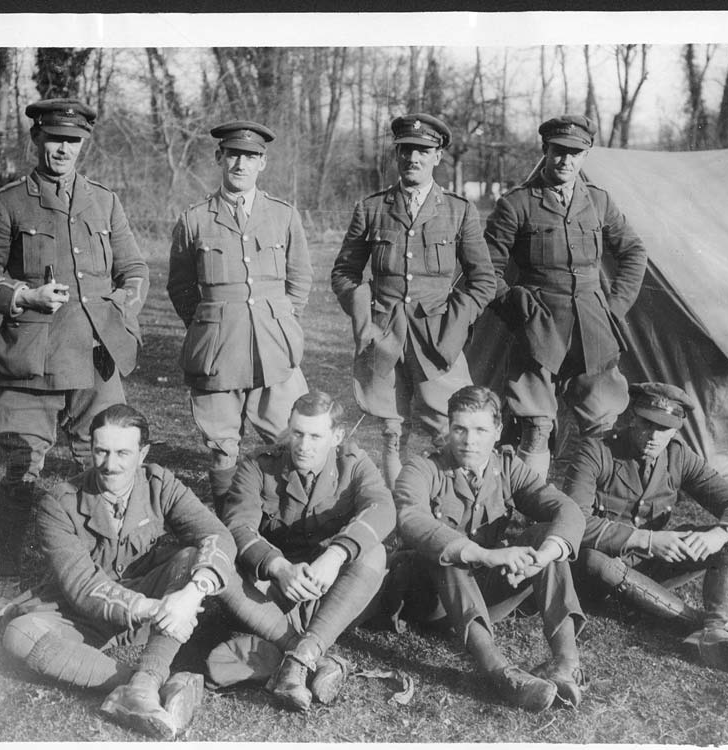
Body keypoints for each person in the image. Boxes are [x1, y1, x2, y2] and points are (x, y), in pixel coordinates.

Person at [0, 98, 149, 620]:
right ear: (37, 141)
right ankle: (7, 580)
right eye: (53, 139)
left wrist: (121, 315)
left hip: (94, 360)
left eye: (72, 141)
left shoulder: (104, 202)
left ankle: (109, 570)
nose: (62, 149)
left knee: (109, 465)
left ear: (83, 144)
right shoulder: (10, 202)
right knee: (23, 470)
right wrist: (23, 295)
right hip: (31, 360)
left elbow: (134, 269)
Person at [1, 404, 238, 737]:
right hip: (84, 616)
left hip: (150, 615)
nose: (111, 465)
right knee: (18, 634)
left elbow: (216, 535)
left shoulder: (159, 483)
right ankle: (147, 685)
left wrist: (192, 593)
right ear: (91, 450)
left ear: (143, 453)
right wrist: (159, 608)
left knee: (189, 559)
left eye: (123, 453)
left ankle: (145, 681)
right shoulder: (59, 503)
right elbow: (83, 587)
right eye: (101, 452)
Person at [393, 385, 587, 712]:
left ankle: (567, 664)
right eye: (460, 429)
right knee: (447, 550)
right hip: (430, 600)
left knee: (544, 536)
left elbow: (566, 510)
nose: (470, 441)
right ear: (448, 429)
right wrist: (483, 553)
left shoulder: (507, 467)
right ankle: (501, 674)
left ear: (497, 431)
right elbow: (410, 518)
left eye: (481, 430)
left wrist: (543, 556)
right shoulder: (423, 469)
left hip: (482, 595)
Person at [331, 113, 497, 488]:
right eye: (406, 150)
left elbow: (484, 280)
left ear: (438, 156)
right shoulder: (371, 209)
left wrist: (456, 321)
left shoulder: (459, 211)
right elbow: (344, 274)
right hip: (384, 336)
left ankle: (457, 507)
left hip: (438, 338)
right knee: (391, 429)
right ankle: (395, 515)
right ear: (397, 153)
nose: (413, 159)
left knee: (452, 426)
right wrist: (364, 320)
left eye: (423, 150)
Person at [561, 382, 728, 674]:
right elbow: (574, 524)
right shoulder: (596, 451)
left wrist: (720, 534)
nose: (653, 435)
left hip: (645, 569)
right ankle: (711, 625)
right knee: (592, 560)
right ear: (631, 417)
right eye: (647, 423)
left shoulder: (678, 457)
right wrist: (646, 539)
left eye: (663, 428)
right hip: (594, 574)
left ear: (676, 430)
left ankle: (715, 630)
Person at [483, 114, 647, 482]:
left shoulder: (600, 202)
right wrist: (515, 307)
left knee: (603, 424)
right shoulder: (517, 204)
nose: (565, 161)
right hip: (539, 329)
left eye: (575, 153)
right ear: (545, 150)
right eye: (558, 151)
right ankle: (530, 506)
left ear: (586, 155)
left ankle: (594, 509)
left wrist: (615, 306)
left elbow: (634, 251)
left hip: (593, 329)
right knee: (536, 426)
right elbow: (484, 270)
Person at [213, 391, 395, 711]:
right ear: (288, 428)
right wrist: (279, 567)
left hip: (331, 596)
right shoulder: (259, 466)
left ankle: (296, 659)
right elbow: (238, 526)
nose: (303, 445)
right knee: (218, 567)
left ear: (336, 436)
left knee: (374, 553)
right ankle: (312, 658)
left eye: (315, 436)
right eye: (297, 433)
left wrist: (336, 555)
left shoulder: (352, 464)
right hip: (274, 595)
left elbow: (383, 508)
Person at [167, 120, 312, 515]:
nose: (241, 164)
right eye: (233, 155)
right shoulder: (194, 219)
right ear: (220, 158)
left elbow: (299, 278)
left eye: (250, 157)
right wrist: (208, 326)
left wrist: (283, 322)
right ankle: (228, 526)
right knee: (220, 447)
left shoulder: (283, 215)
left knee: (291, 437)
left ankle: (285, 523)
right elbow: (180, 287)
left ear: (262, 164)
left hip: (274, 349)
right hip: (216, 352)